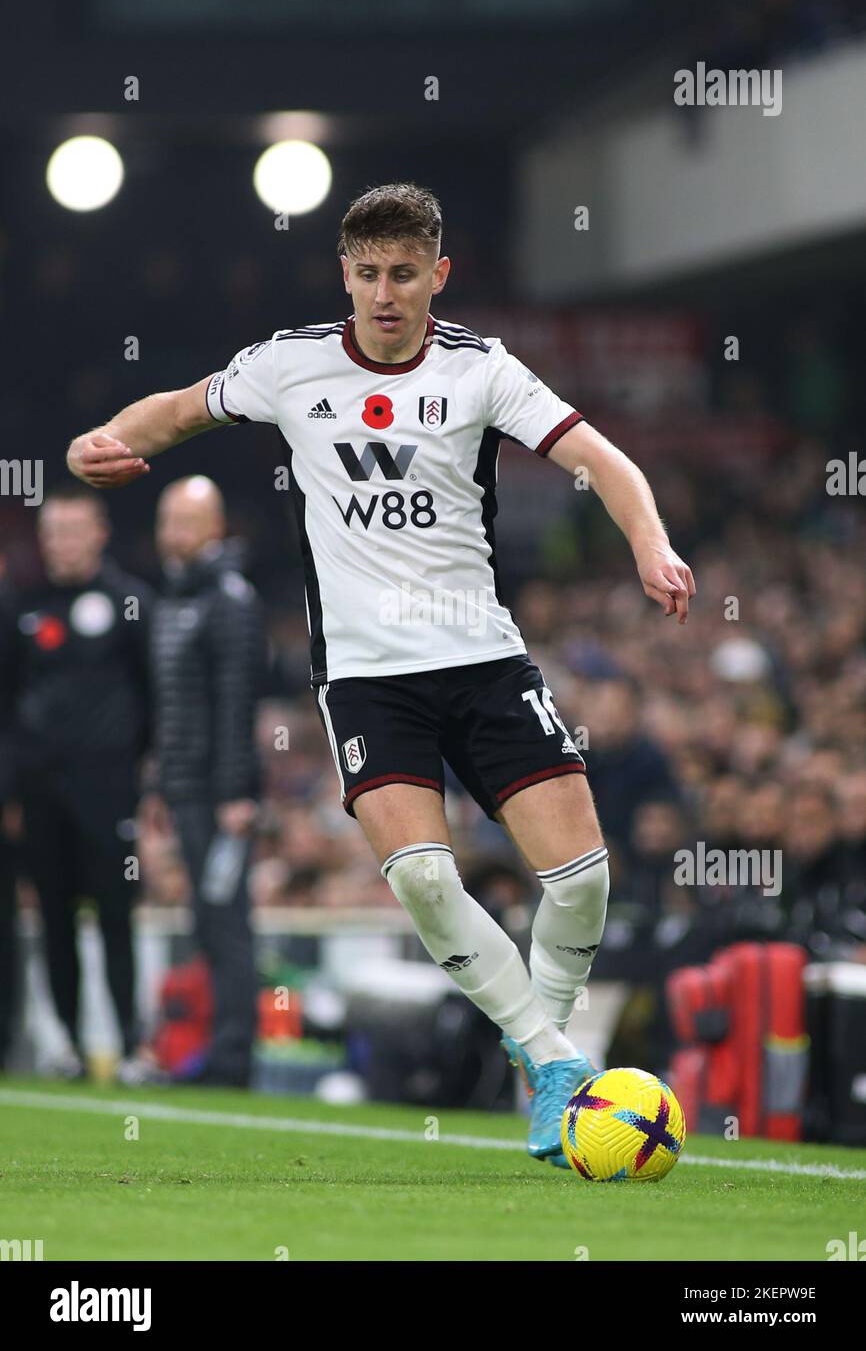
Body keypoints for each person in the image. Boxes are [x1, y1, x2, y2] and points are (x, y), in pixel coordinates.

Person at [66, 182, 695, 1164]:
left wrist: (649, 546)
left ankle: (541, 1048)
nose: (384, 293)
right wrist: (102, 441)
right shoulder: (290, 363)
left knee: (578, 881)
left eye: (404, 273)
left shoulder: (479, 369)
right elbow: (181, 410)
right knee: (424, 881)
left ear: (436, 274)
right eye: (367, 274)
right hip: (365, 677)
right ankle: (556, 1065)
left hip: (482, 656)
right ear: (345, 274)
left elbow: (606, 463)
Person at [0, 485, 153, 1077]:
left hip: (109, 789)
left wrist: (146, 775)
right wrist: (11, 790)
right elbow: (7, 707)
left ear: (99, 532)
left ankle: (132, 1044)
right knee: (55, 916)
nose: (60, 543)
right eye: (52, 533)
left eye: (72, 530)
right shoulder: (21, 607)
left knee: (116, 913)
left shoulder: (131, 602)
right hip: (41, 792)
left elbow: (153, 697)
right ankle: (66, 1044)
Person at [140, 476, 264, 1088]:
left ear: (214, 527)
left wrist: (237, 794)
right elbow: (172, 706)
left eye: (184, 522)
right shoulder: (174, 597)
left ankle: (235, 1058)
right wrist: (162, 785)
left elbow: (237, 703)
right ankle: (217, 1048)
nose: (171, 534)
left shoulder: (230, 599)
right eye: (166, 521)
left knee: (227, 923)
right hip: (186, 788)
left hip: (221, 797)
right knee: (205, 922)